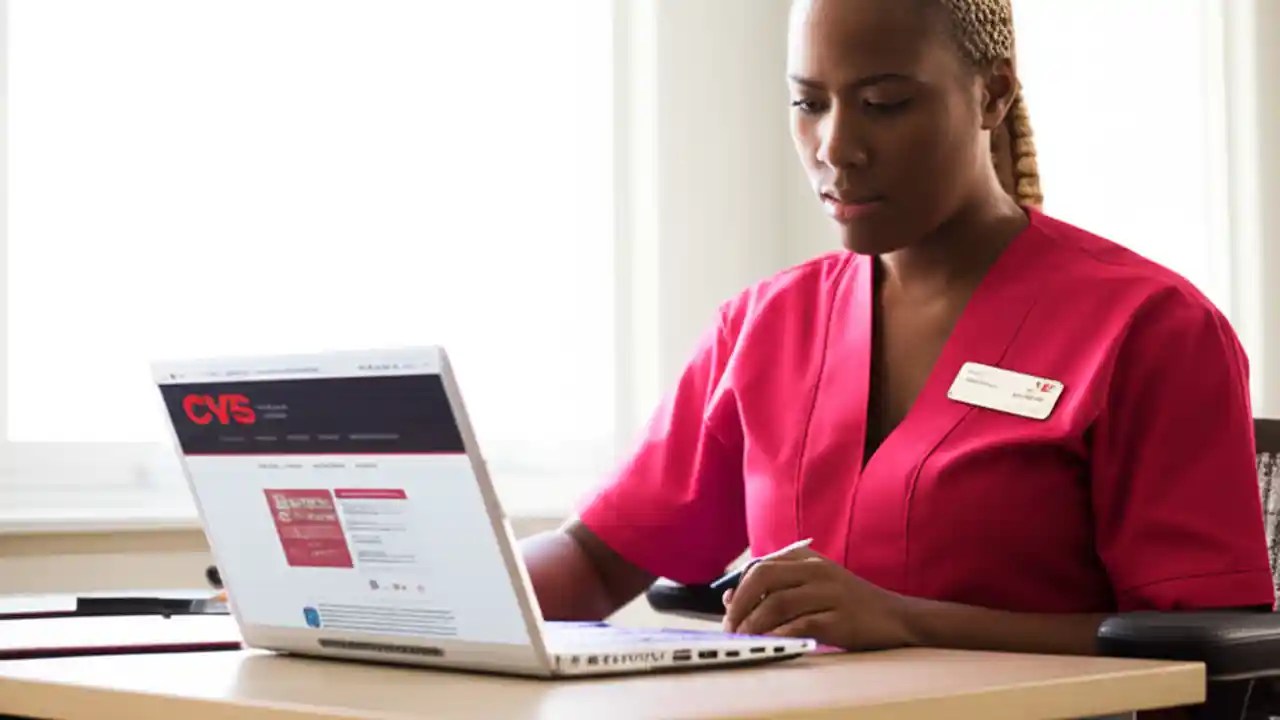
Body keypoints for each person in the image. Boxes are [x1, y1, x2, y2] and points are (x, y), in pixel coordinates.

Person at [521, 0, 1276, 658]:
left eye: (883, 102)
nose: (836, 148)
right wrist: (423, 590)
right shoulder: (763, 326)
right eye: (808, 104)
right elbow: (593, 563)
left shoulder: (1150, 329)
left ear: (993, 95)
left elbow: (1198, 645)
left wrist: (909, 622)